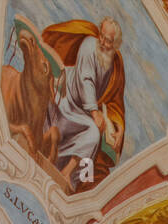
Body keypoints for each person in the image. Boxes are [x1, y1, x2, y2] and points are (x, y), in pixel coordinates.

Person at [42, 16, 127, 191]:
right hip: (67, 98)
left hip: (84, 111)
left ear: (116, 43)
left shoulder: (116, 65)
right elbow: (85, 79)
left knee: (93, 136)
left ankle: (67, 175)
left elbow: (115, 100)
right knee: (93, 133)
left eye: (108, 41)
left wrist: (119, 128)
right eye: (102, 36)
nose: (103, 42)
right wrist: (95, 112)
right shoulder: (90, 44)